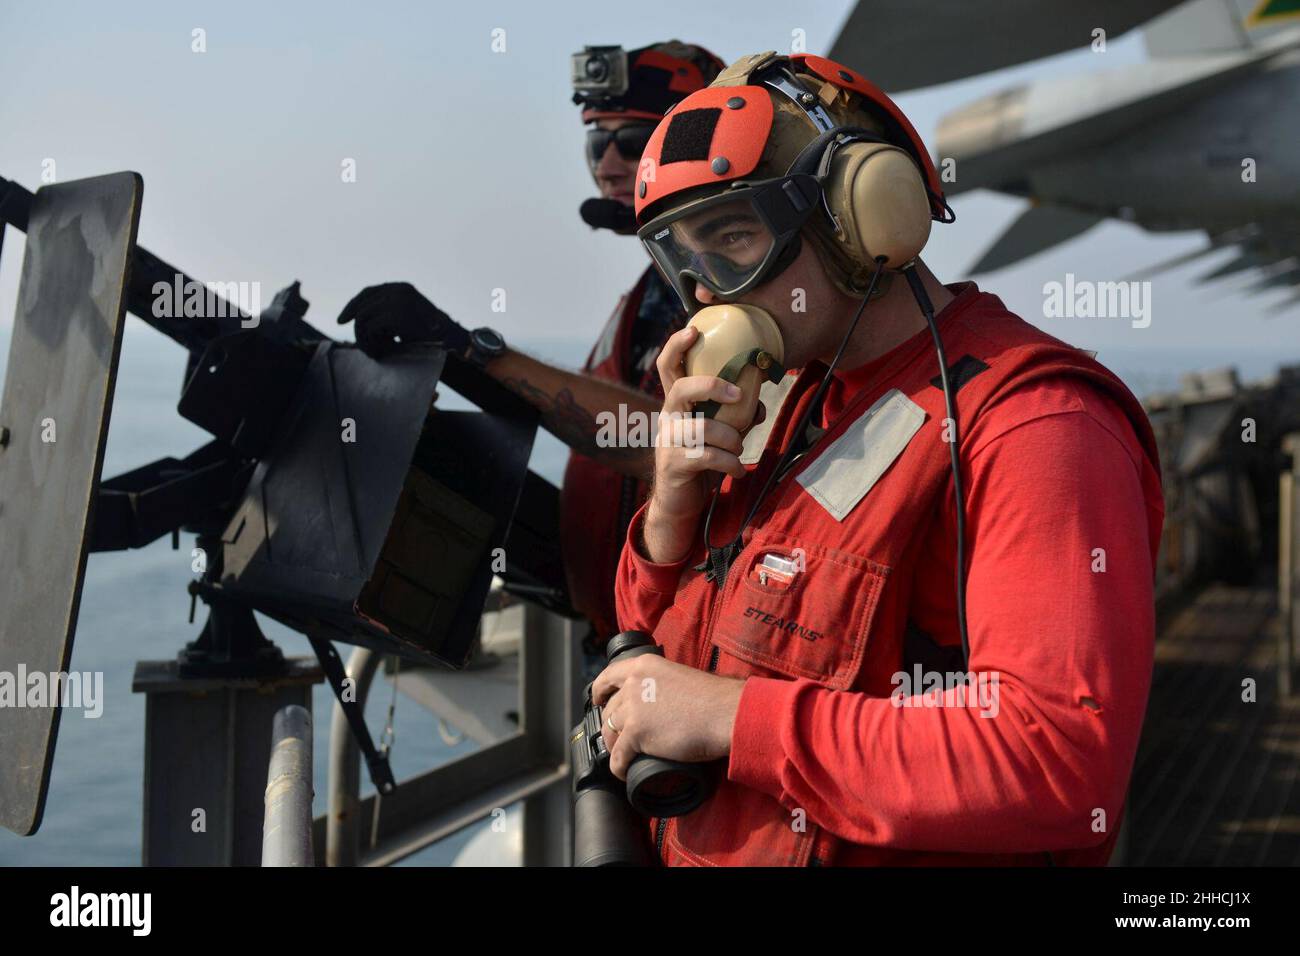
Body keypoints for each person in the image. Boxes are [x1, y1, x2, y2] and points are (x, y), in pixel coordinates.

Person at [591, 51, 1166, 866]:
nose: (713, 294)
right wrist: (670, 514)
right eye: (686, 260)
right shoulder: (789, 400)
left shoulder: (1038, 427)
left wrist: (732, 717)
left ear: (863, 218)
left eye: (734, 238)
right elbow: (651, 650)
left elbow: (1056, 765)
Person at [338, 42, 724, 652]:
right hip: (622, 639)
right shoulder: (647, 296)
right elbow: (586, 411)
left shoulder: (731, 294)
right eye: (597, 144)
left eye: (632, 142)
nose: (610, 165)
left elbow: (666, 443)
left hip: (684, 652)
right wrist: (454, 354)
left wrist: (475, 348)